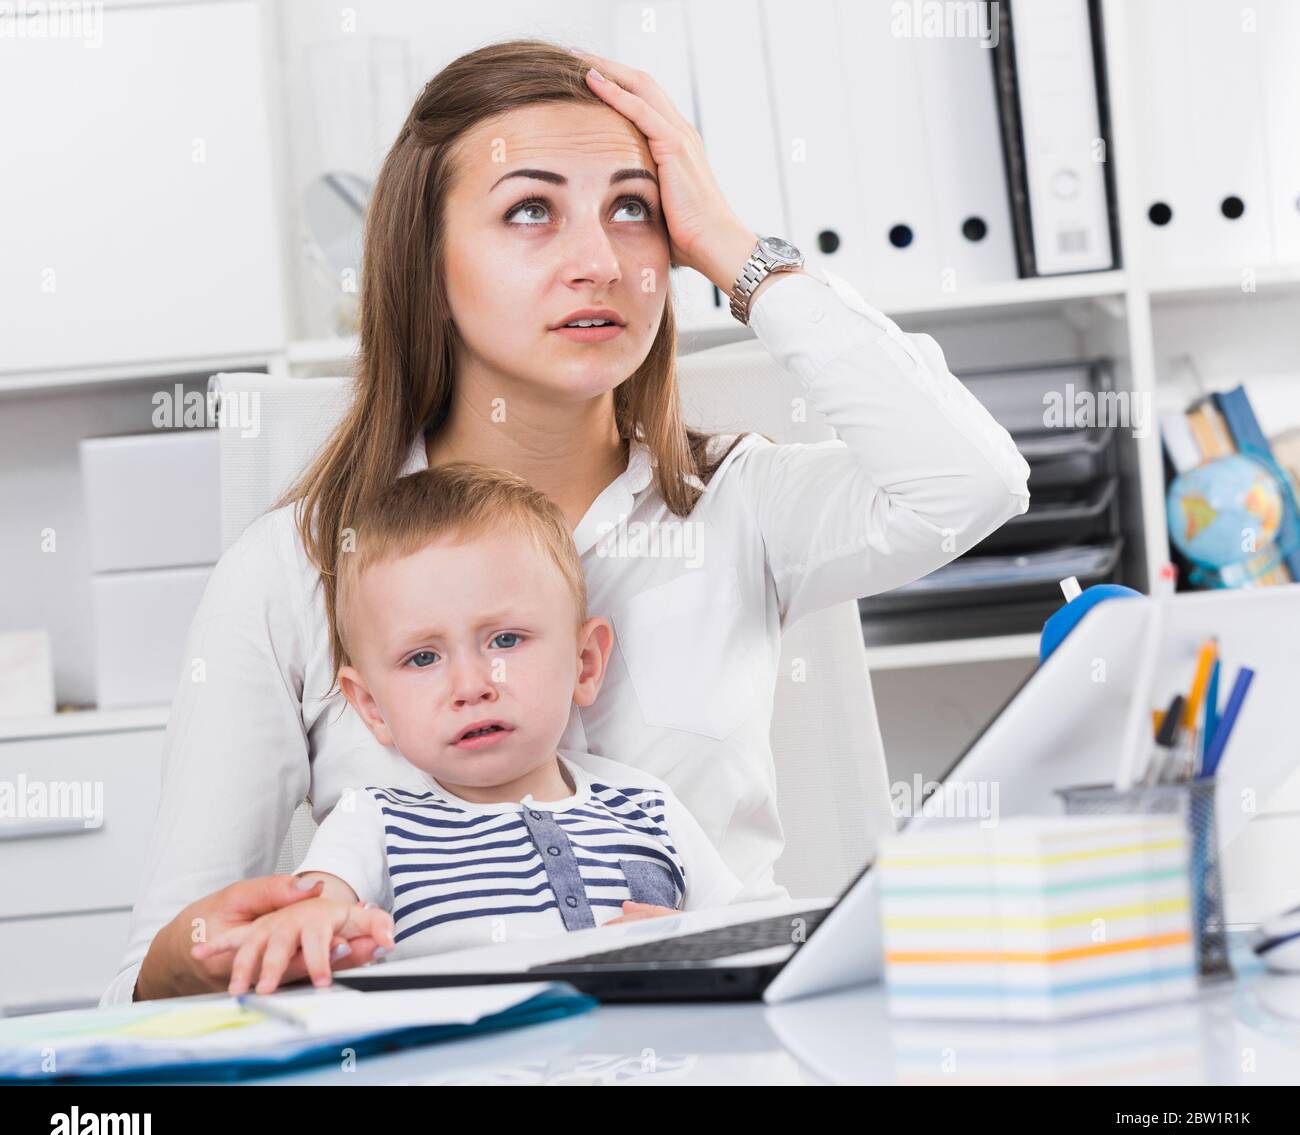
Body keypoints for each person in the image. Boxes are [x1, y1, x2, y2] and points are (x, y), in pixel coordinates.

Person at [102, 39, 1030, 1004]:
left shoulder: (740, 505)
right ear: (427, 262)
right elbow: (148, 983)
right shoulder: (293, 568)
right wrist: (269, 947)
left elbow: (972, 483)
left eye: (634, 209)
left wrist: (740, 256)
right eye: (530, 211)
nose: (600, 262)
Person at [193, 462, 745, 996]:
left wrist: (690, 945)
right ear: (372, 707)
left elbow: (753, 942)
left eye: (505, 640)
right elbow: (319, 907)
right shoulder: (375, 821)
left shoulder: (648, 806)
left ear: (584, 663)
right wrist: (309, 924)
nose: (471, 685)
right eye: (421, 658)